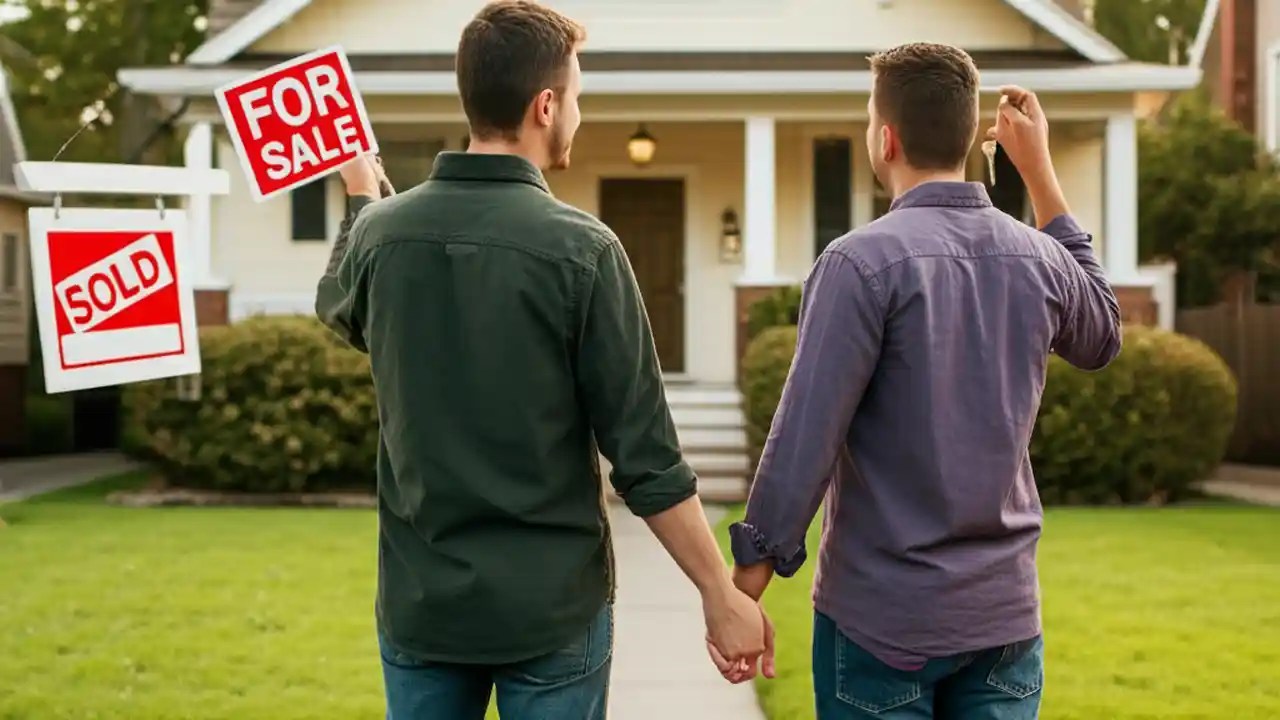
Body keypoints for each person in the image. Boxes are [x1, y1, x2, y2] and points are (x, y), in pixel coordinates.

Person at [314, 1, 768, 718]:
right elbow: (646, 458)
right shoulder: (584, 251)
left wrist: (363, 198)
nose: (579, 117)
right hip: (553, 611)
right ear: (546, 104)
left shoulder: (379, 239)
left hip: (423, 606)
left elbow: (340, 305)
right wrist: (718, 592)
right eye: (579, 99)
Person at [726, 43, 1123, 718]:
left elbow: (806, 432)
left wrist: (745, 585)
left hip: (882, 622)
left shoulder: (858, 263)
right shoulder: (1039, 259)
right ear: (968, 136)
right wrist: (1040, 174)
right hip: (1003, 623)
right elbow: (1102, 332)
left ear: (885, 138)